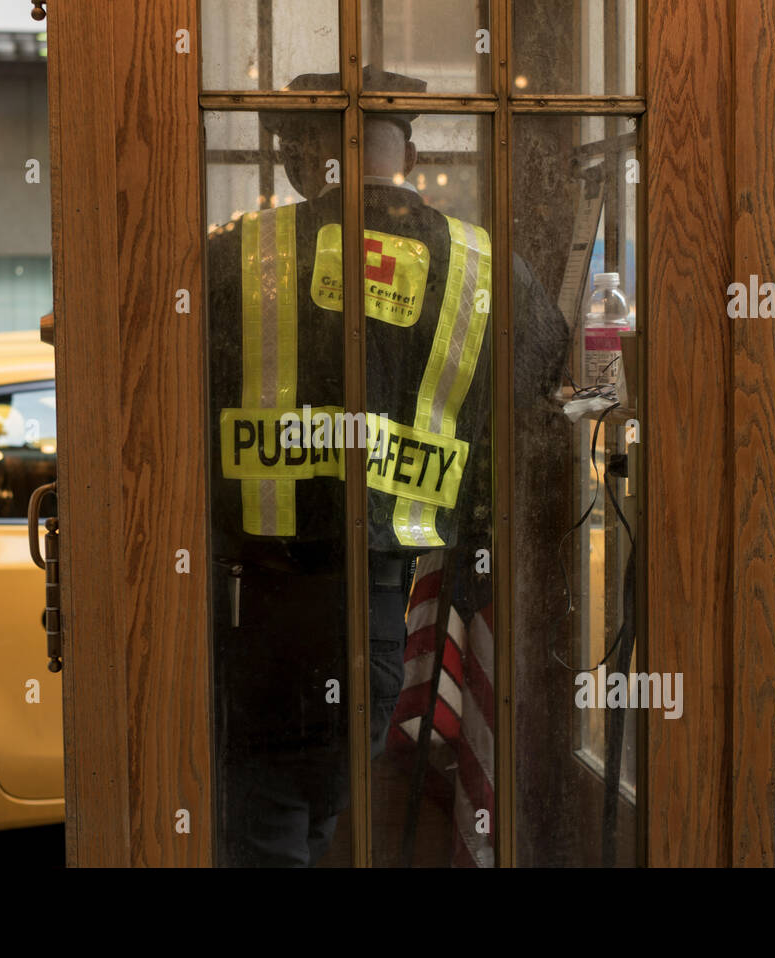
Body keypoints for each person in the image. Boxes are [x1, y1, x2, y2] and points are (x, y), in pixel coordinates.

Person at [206, 67, 565, 866]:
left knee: (267, 818)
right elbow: (543, 375)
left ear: (304, 156)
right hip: (386, 612)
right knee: (327, 798)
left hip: (262, 605)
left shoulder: (244, 254)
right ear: (409, 151)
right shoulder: (480, 266)